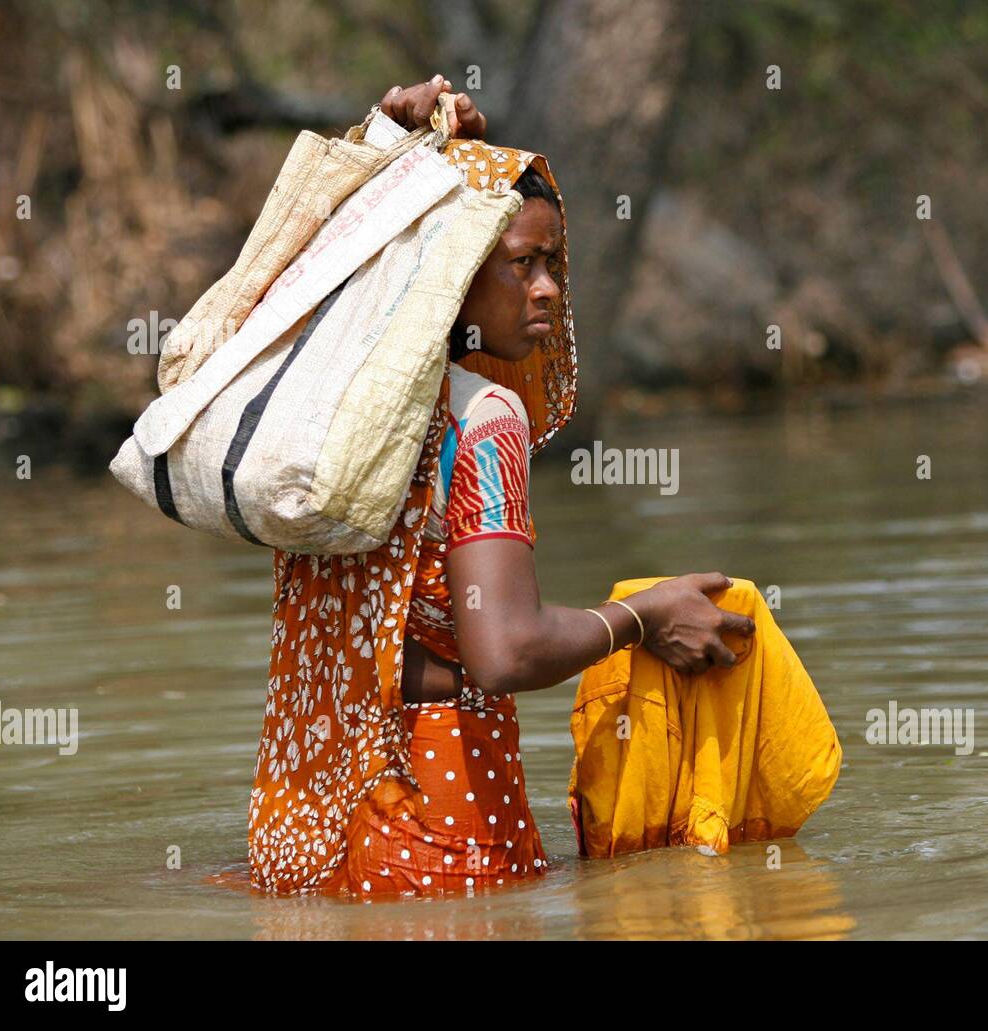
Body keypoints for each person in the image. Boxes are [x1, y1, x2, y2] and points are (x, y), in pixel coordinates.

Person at [247, 76, 754, 897]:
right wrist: (641, 616)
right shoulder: (482, 420)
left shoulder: (327, 412)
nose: (549, 286)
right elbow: (505, 648)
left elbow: (299, 274)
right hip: (445, 833)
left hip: (313, 822)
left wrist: (387, 135)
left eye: (554, 261)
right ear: (452, 273)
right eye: (522, 263)